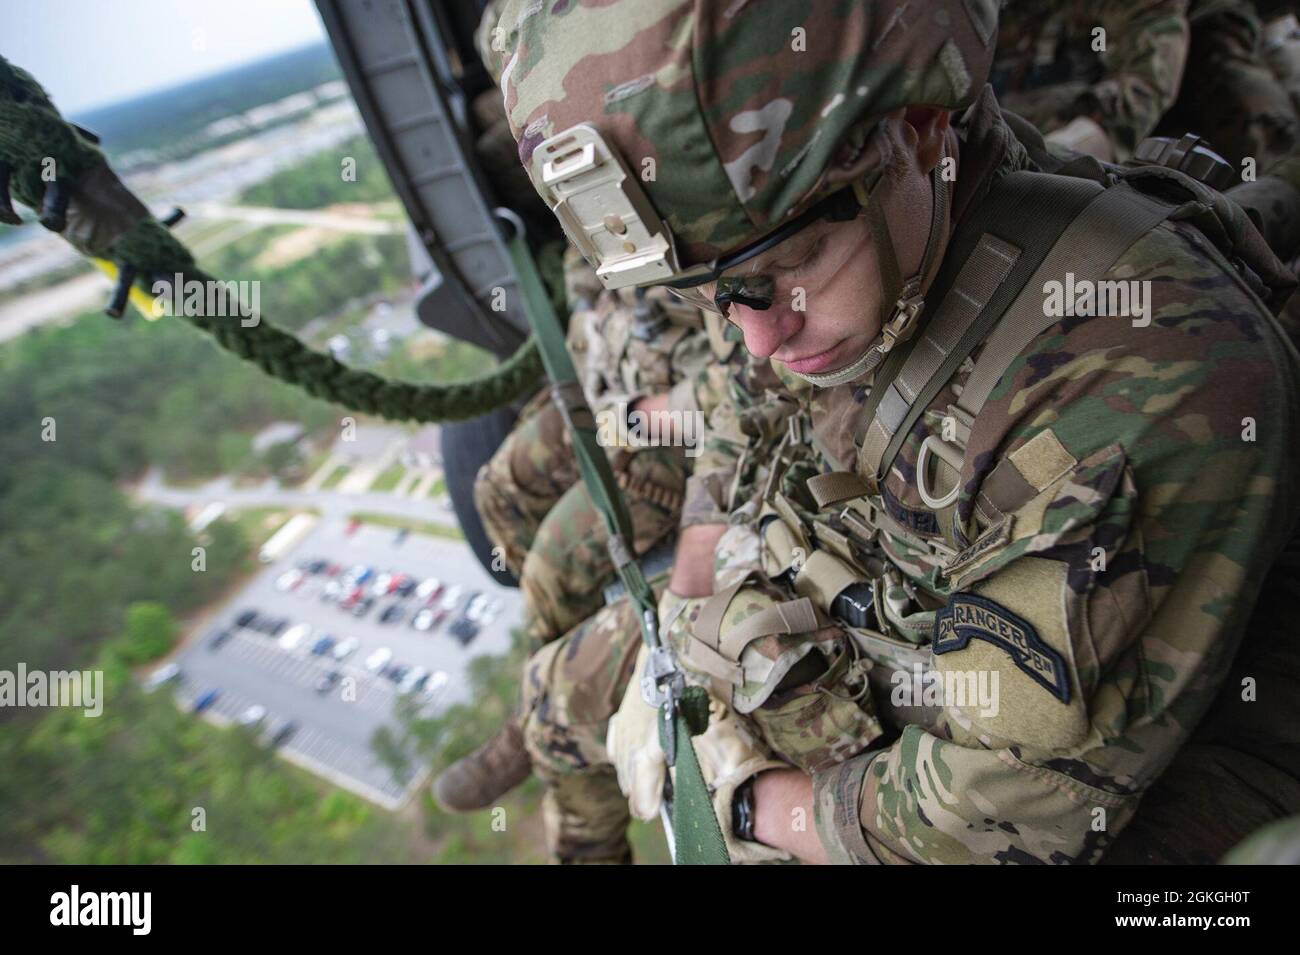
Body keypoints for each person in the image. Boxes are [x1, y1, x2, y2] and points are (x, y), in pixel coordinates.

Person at [492, 0, 1300, 864]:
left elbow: (997, 811)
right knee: (557, 695)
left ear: (916, 133)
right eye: (706, 296)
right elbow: (743, 396)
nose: (756, 333)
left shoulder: (1135, 373)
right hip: (868, 631)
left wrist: (741, 803)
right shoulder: (878, 236)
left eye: (780, 273)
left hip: (1060, 784)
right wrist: (691, 594)